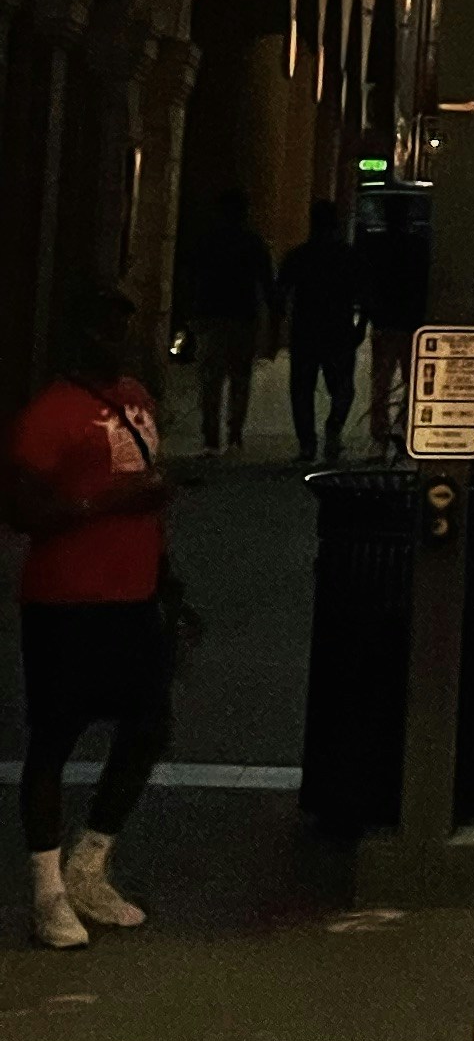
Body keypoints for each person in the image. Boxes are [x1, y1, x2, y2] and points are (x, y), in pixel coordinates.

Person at [6, 287, 171, 948]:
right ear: (75, 339)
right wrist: (104, 505)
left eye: (122, 332)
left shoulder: (135, 395)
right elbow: (20, 510)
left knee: (149, 725)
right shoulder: (50, 416)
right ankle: (47, 889)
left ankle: (90, 860)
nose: (117, 344)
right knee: (55, 737)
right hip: (67, 598)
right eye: (105, 332)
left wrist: (167, 574)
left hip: (134, 592)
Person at [176, 187, 276, 455]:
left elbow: (188, 277)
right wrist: (274, 325)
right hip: (242, 316)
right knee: (239, 378)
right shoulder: (253, 243)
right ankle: (234, 435)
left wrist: (187, 315)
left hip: (210, 315)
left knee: (210, 379)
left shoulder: (206, 241)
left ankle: (211, 437)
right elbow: (267, 285)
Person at [277, 199, 362, 465]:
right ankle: (333, 431)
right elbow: (366, 294)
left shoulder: (299, 255)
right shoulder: (348, 256)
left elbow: (281, 293)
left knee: (302, 389)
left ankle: (307, 444)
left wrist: (281, 323)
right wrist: (362, 325)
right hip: (338, 331)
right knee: (343, 388)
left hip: (306, 331)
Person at [357, 202, 430, 451]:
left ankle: (380, 434)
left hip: (386, 322)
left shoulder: (377, 247)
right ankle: (407, 427)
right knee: (414, 381)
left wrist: (366, 320)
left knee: (381, 382)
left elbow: (369, 286)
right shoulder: (418, 247)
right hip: (412, 324)